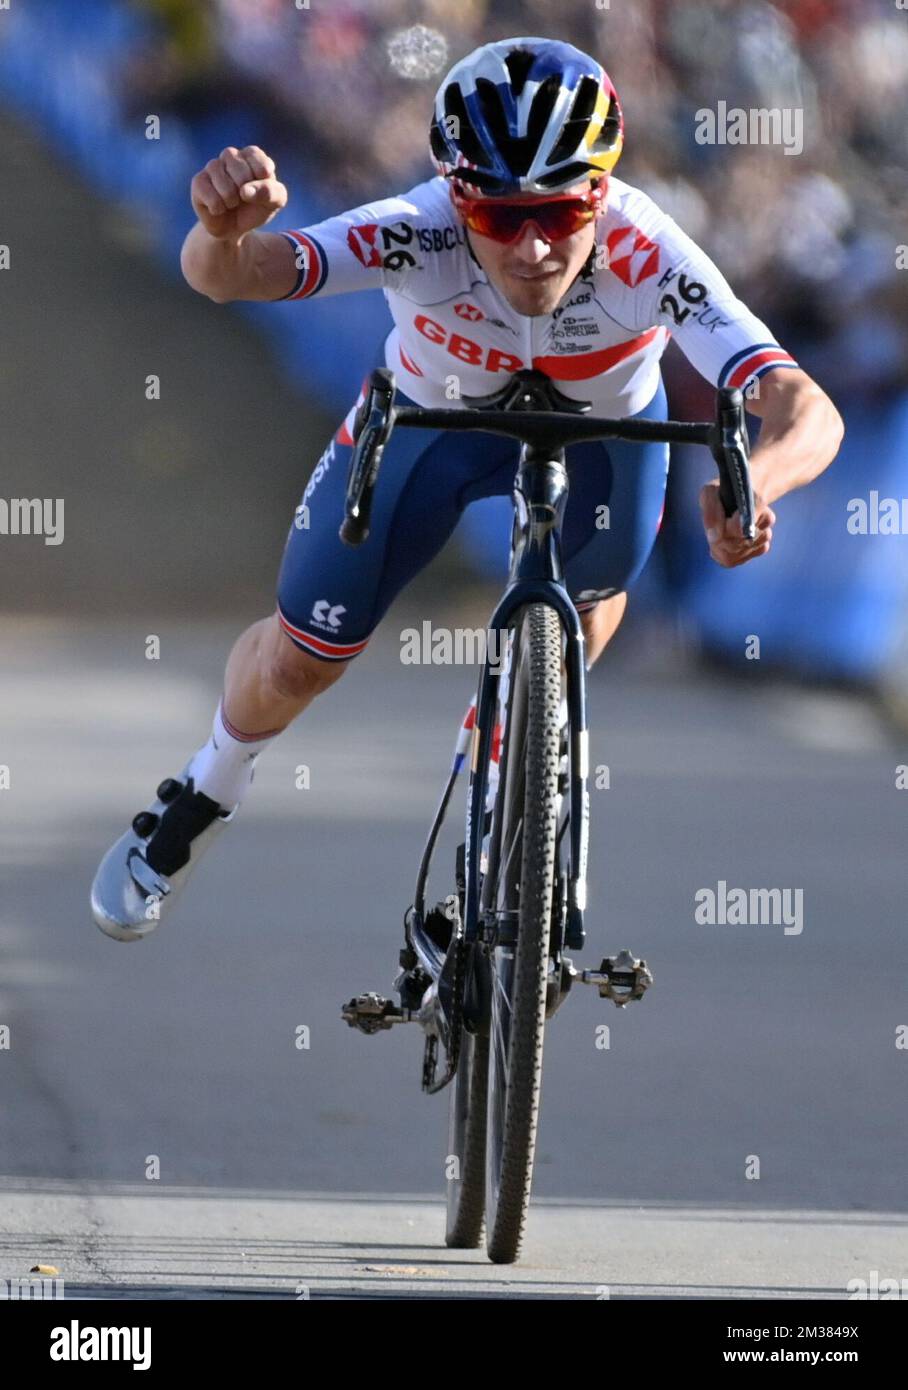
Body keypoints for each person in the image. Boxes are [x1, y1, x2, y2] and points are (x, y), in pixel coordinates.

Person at [91, 36, 843, 940]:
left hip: (604, 442)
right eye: (498, 216)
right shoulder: (419, 229)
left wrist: (756, 481)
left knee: (582, 609)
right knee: (301, 658)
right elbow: (230, 278)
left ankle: (509, 778)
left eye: (562, 216)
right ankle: (209, 786)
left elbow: (807, 407)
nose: (531, 248)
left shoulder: (648, 247)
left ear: (602, 194)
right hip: (431, 429)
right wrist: (222, 232)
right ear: (457, 198)